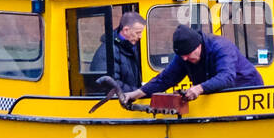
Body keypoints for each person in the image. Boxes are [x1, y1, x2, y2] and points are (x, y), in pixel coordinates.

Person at [121, 25, 263, 105]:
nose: (186, 58)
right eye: (182, 56)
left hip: (248, 93)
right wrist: (137, 93)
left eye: (188, 54)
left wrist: (200, 88)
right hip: (220, 97)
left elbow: (226, 77)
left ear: (198, 45)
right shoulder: (184, 56)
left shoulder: (222, 47)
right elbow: (165, 79)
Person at [89, 11, 145, 91]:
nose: (140, 36)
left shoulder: (129, 47)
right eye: (138, 33)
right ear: (126, 30)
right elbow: (111, 84)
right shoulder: (107, 51)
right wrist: (138, 91)